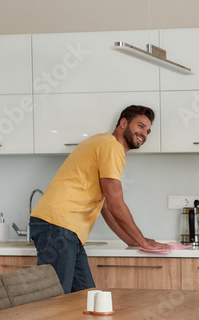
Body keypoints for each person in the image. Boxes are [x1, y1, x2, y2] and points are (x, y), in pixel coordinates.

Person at [29, 105, 170, 293]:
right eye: (141, 126)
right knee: (56, 301)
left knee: (86, 298)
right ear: (123, 123)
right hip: (57, 227)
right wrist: (142, 241)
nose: (145, 133)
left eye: (148, 130)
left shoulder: (103, 143)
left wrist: (132, 241)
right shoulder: (111, 147)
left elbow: (105, 207)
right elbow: (115, 204)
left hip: (66, 231)